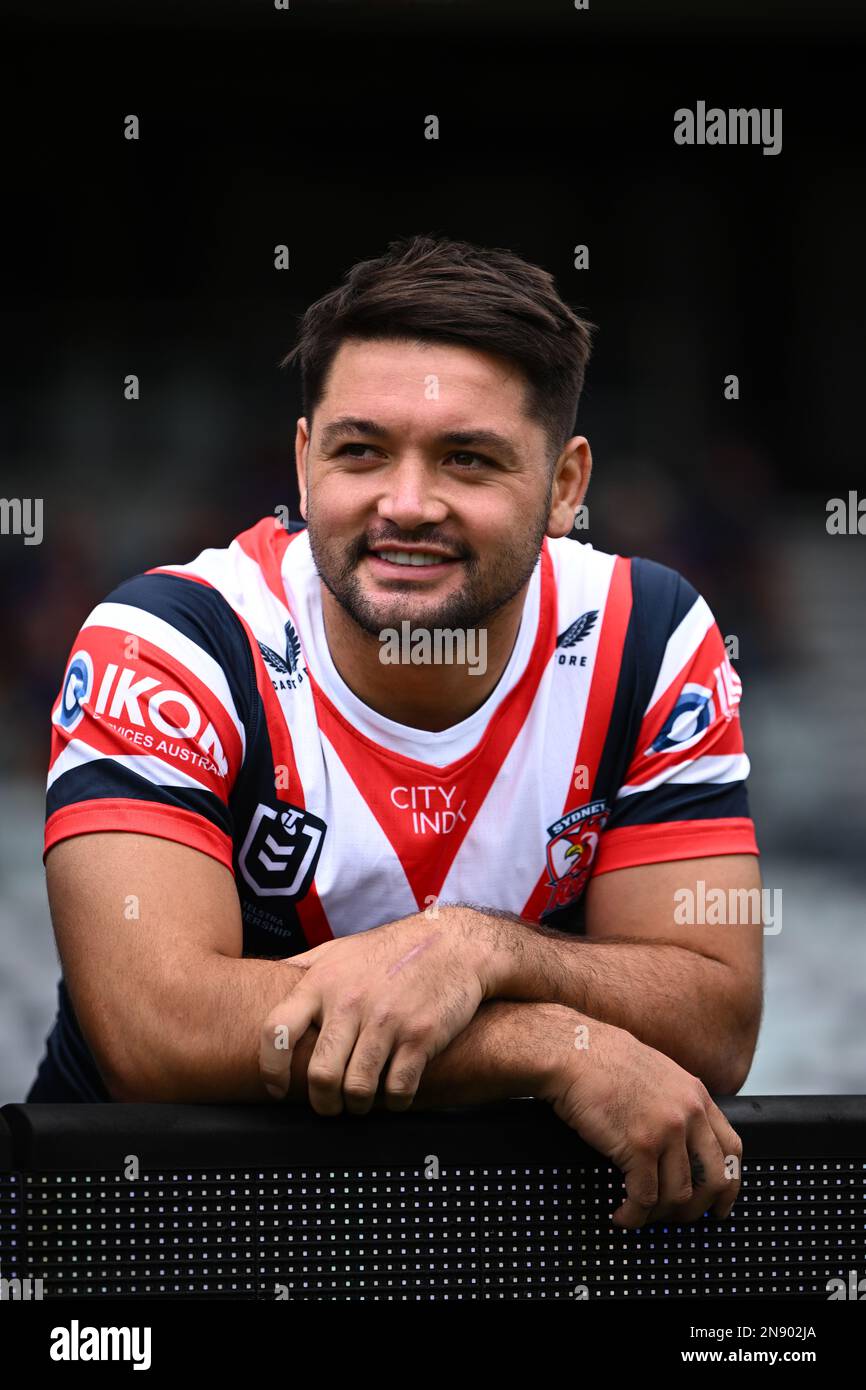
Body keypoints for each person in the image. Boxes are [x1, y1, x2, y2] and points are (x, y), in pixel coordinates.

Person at [31, 234, 761, 1231]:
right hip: (151, 1239)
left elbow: (715, 1016)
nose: (404, 505)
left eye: (466, 457)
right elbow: (154, 1032)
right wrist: (550, 1041)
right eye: (360, 450)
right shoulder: (166, 643)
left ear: (563, 486)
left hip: (510, 1246)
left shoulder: (649, 637)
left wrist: (478, 950)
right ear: (301, 460)